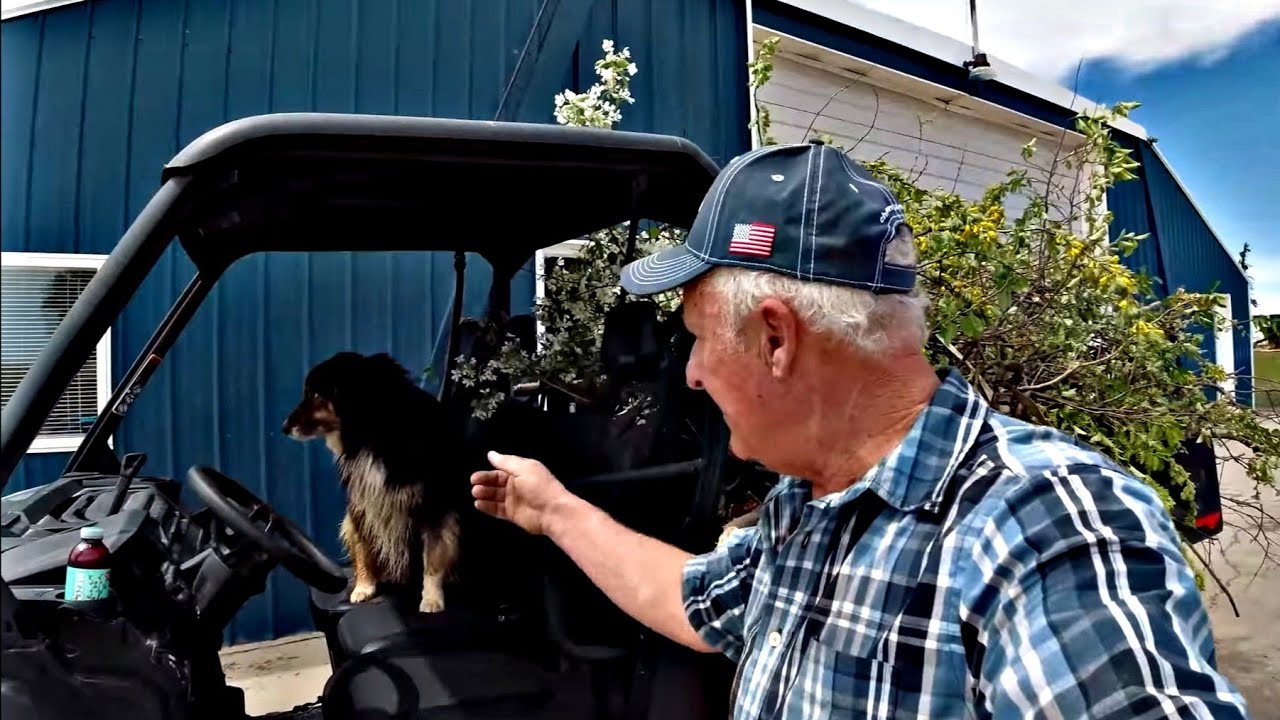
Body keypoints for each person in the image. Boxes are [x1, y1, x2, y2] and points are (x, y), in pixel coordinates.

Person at [469, 140, 1250, 719]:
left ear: (776, 339)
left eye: (700, 339)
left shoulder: (1044, 523)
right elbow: (691, 601)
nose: (694, 374)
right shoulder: (803, 509)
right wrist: (553, 511)